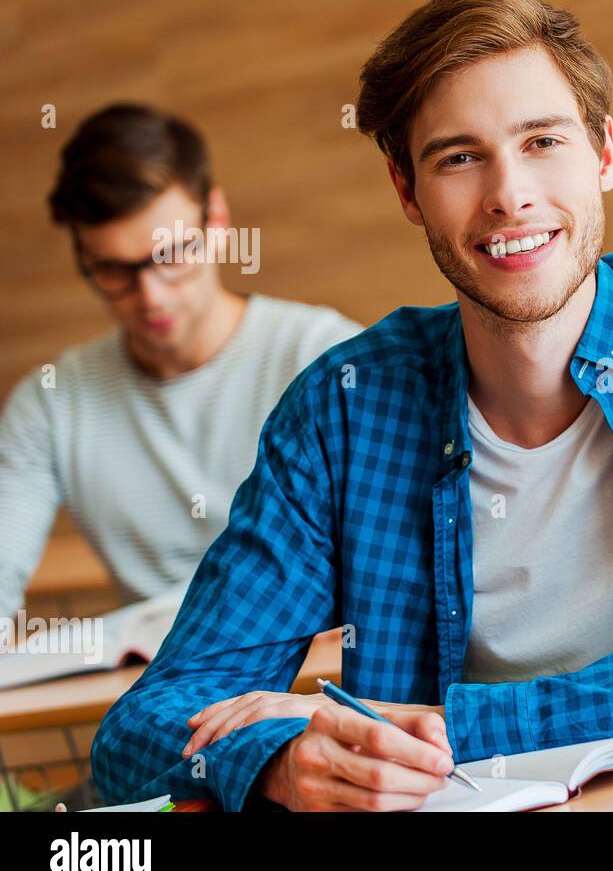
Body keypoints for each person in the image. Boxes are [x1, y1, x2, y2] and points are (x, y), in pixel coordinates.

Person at [91, 0, 613, 812]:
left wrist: (450, 722)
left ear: (604, 152)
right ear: (406, 189)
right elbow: (142, 728)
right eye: (458, 157)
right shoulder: (344, 410)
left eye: (541, 141)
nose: (509, 194)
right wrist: (282, 759)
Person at [0, 104, 360, 620]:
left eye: (171, 255)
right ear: (83, 256)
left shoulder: (324, 358)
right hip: (155, 686)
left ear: (216, 220)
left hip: (315, 675)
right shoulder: (51, 404)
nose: (151, 296)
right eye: (113, 270)